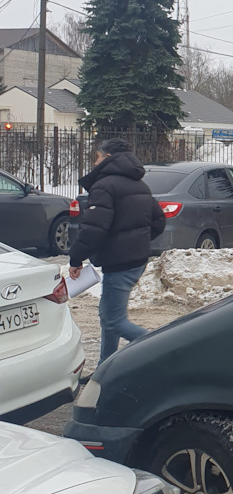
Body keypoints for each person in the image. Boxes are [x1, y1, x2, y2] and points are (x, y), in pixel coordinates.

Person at [68, 138, 166, 364]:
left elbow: (94, 229)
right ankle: (105, 368)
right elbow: (158, 221)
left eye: (97, 156)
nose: (95, 161)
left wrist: (76, 258)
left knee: (113, 321)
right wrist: (136, 241)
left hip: (120, 263)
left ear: (107, 158)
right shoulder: (139, 184)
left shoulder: (105, 185)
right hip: (135, 260)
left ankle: (163, 350)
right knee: (108, 317)